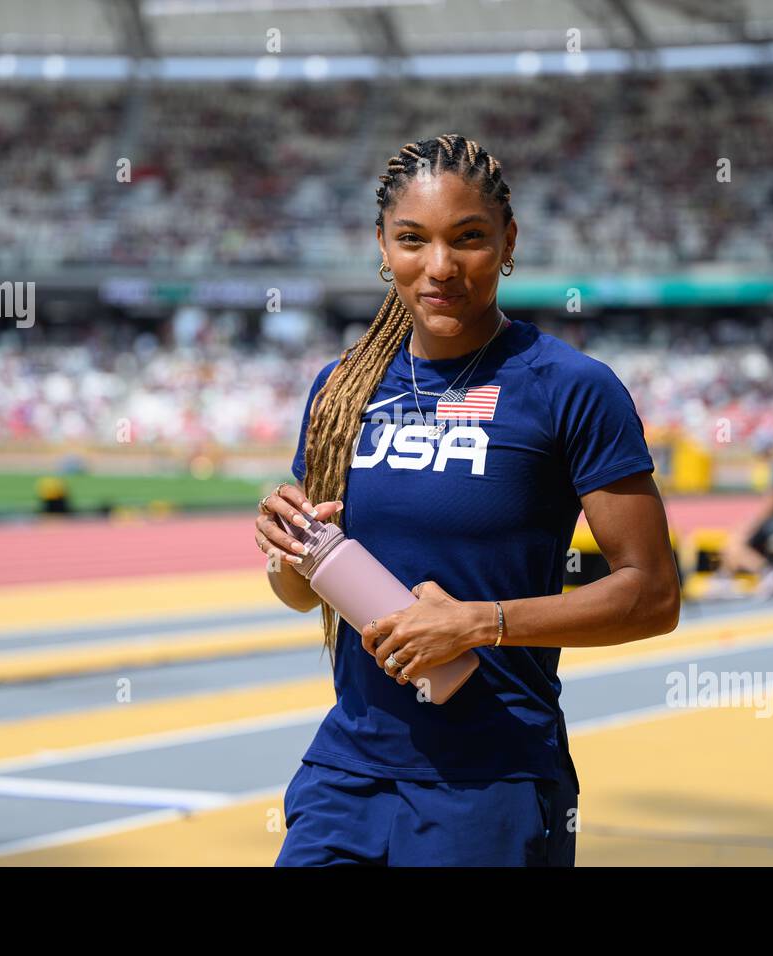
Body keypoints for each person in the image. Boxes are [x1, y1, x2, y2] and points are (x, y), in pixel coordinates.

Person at [253, 134, 681, 866]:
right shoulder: (340, 389)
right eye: (413, 240)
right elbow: (300, 595)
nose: (441, 267)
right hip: (345, 776)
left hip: (493, 780)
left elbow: (653, 596)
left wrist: (480, 625)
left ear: (508, 242)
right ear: (382, 247)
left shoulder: (571, 387)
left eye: (469, 239)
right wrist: (289, 550)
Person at [712, 431, 773, 600]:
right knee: (734, 539)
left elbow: (770, 506)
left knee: (735, 543)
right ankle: (724, 578)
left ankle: (768, 572)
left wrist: (749, 524)